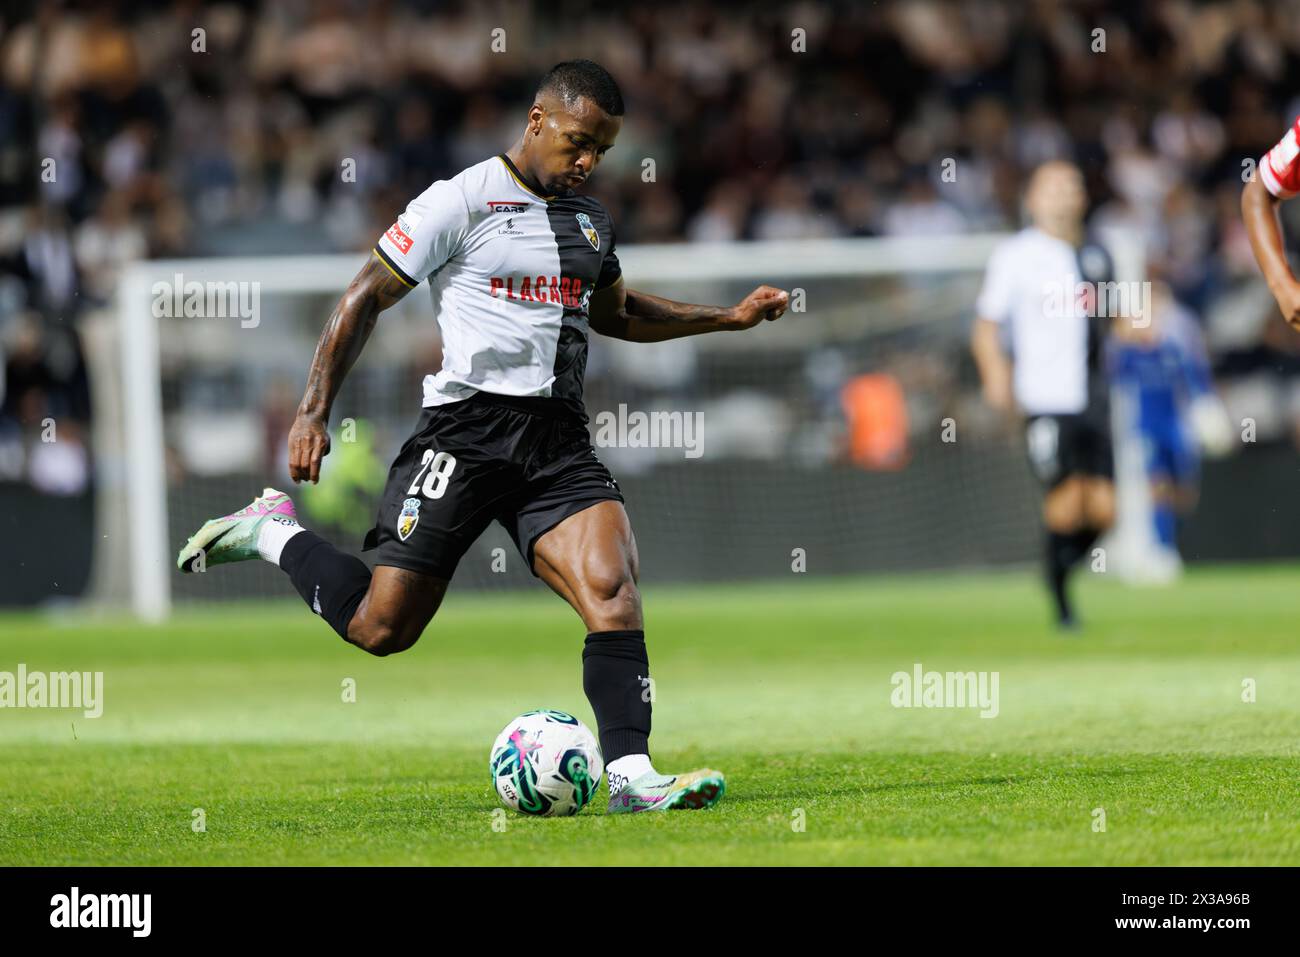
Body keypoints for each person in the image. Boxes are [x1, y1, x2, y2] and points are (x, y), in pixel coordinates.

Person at [176, 60, 789, 814]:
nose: (588, 161)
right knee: (380, 627)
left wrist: (724, 318)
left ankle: (632, 775)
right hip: (463, 433)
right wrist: (312, 409)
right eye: (577, 141)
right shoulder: (460, 201)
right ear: (537, 120)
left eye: (602, 148)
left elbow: (616, 313)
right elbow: (365, 296)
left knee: (613, 590)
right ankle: (272, 532)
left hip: (557, 440)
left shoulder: (590, 221)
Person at [971, 161, 1116, 629]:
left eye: (1072, 186)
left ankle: (1054, 571)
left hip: (1094, 397)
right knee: (1067, 497)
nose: (1064, 195)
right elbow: (987, 325)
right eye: (1052, 187)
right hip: (1045, 397)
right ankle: (1062, 605)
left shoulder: (1098, 254)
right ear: (1032, 200)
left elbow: (1110, 317)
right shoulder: (1015, 255)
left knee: (1105, 511)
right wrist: (996, 375)